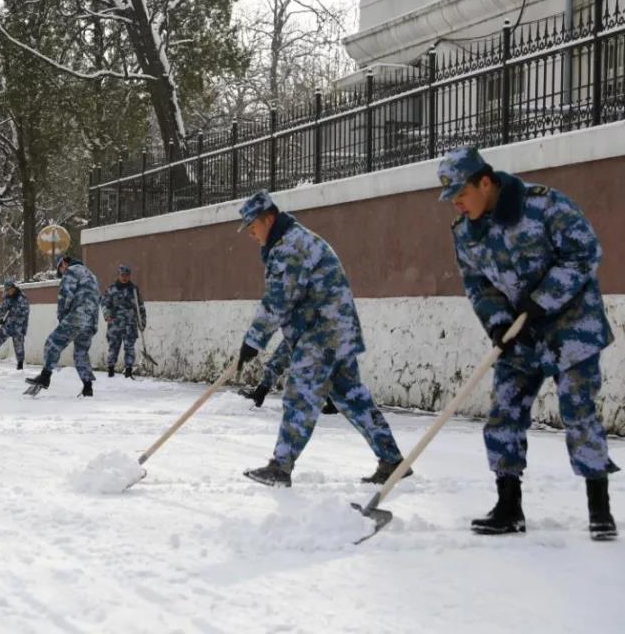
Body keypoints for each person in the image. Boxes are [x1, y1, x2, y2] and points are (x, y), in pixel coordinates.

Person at [438, 147, 617, 540]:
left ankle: (599, 510)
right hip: (520, 335)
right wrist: (499, 323)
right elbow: (478, 285)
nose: (456, 203)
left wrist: (544, 299)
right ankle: (508, 507)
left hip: (572, 328)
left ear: (485, 183)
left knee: (579, 413)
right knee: (504, 412)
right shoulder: (466, 233)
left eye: (461, 194)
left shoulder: (545, 206)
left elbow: (585, 253)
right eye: (450, 197)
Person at [236, 190, 407, 488]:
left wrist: (253, 340)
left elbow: (279, 299)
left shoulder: (290, 247)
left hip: (323, 333)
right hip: (334, 329)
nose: (251, 233)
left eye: (253, 225)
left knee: (300, 396)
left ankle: (280, 467)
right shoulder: (291, 240)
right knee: (352, 397)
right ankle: (391, 459)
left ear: (269, 218)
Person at [25, 255, 101, 397]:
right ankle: (87, 387)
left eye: (60, 269)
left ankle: (45, 376)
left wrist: (62, 318)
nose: (62, 272)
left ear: (64, 263)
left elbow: (65, 296)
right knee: (81, 353)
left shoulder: (71, 271)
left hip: (77, 317)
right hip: (91, 321)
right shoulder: (92, 275)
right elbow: (98, 298)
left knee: (52, 343)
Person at [101, 265, 146, 378]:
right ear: (119, 275)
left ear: (129, 276)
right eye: (122, 275)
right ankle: (111, 371)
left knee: (129, 348)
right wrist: (107, 315)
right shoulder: (111, 289)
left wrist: (142, 322)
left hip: (130, 324)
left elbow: (140, 307)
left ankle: (128, 372)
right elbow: (105, 304)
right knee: (113, 348)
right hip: (115, 324)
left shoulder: (134, 290)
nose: (124, 277)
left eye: (127, 275)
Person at [0, 280, 29, 370]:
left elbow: (25, 314)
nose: (8, 292)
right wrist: (1, 318)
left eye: (9, 290)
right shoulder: (8, 297)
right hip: (8, 324)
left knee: (19, 346)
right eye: (6, 290)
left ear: (13, 288)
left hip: (18, 326)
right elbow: (3, 308)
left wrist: (23, 328)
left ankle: (20, 365)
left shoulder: (22, 298)